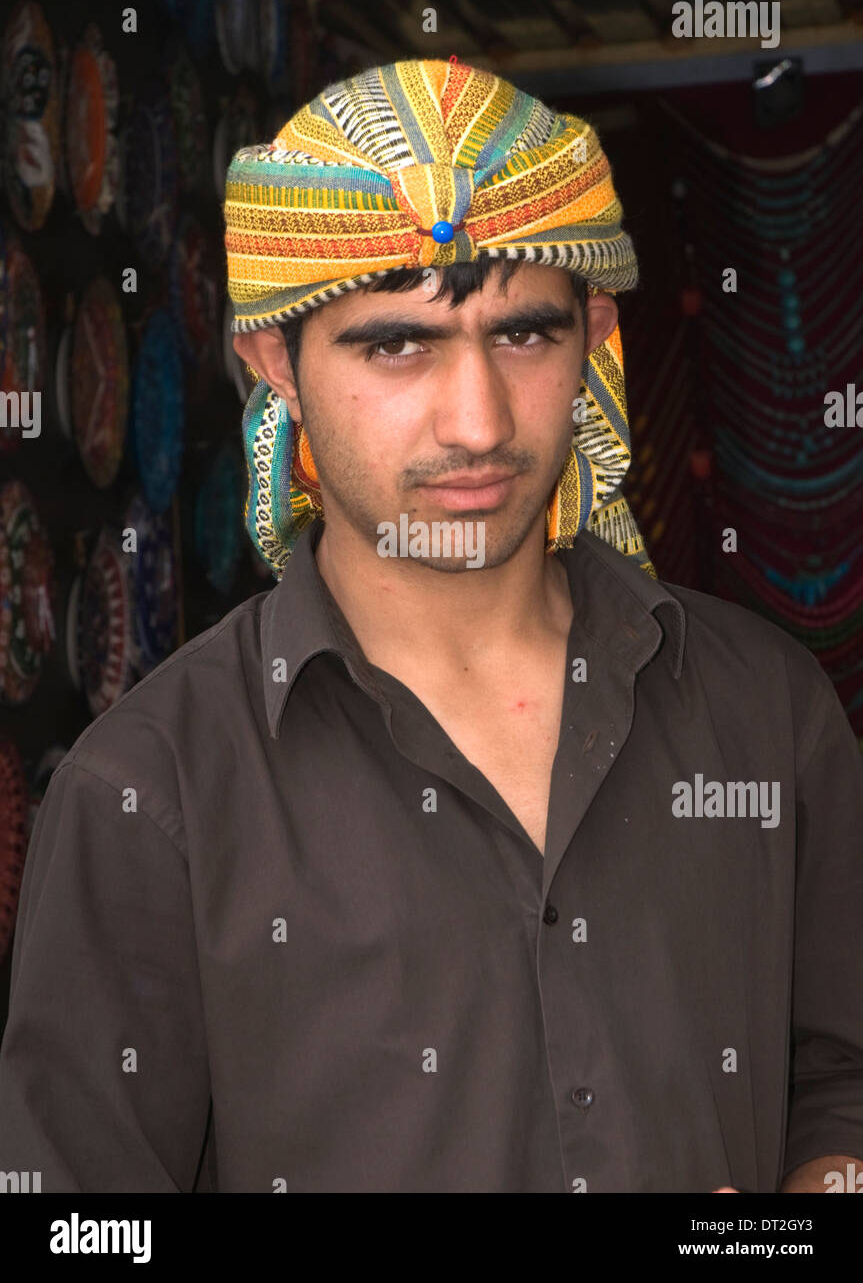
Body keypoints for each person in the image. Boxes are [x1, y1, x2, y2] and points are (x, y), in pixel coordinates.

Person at [1, 58, 861, 1194]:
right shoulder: (146, 793)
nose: (476, 419)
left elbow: (836, 1075)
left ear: (594, 335)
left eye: (522, 336)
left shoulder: (763, 710)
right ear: (276, 366)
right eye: (396, 343)